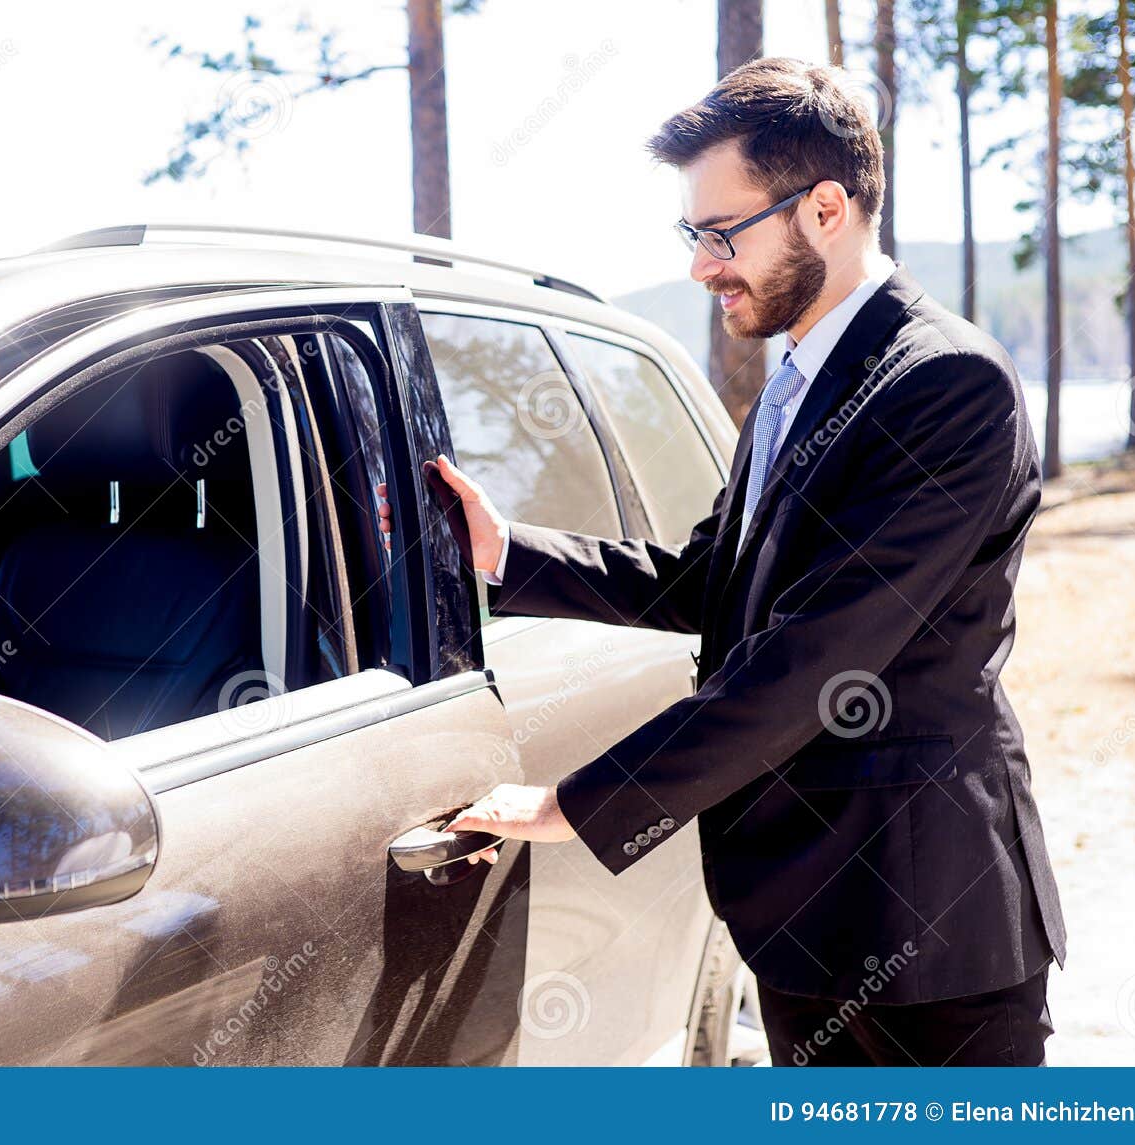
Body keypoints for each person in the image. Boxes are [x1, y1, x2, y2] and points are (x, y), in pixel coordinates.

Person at [423, 57, 1065, 1066]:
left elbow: (813, 658)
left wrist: (577, 799)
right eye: (694, 234)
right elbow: (711, 579)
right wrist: (508, 554)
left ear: (823, 209)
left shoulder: (945, 383)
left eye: (722, 234)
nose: (701, 265)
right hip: (805, 915)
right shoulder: (794, 382)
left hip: (925, 931)